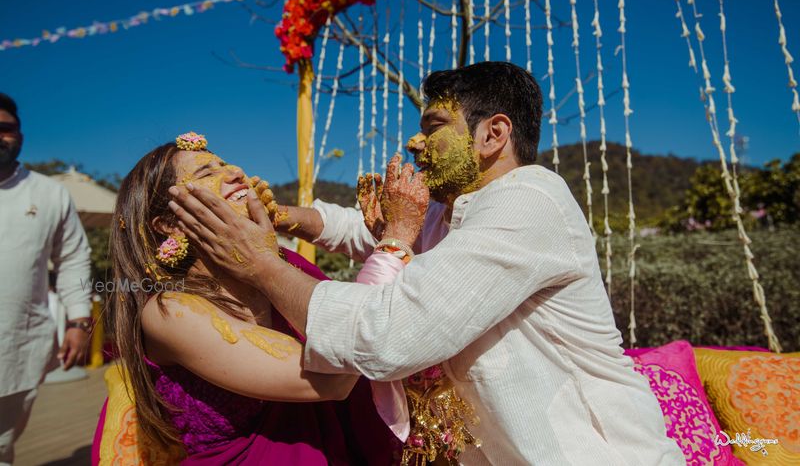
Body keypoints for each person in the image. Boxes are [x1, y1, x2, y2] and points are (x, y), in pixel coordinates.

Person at [168, 62, 685, 464]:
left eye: (433, 126)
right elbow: (359, 229)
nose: (414, 142)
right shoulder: (451, 209)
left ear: (493, 135)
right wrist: (278, 216)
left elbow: (388, 336)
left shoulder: (528, 200)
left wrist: (260, 263)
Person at [104, 134, 399, 464]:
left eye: (225, 164)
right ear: (170, 225)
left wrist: (267, 252)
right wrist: (395, 242)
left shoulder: (282, 264)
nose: (235, 172)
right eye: (206, 173)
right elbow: (335, 378)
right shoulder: (169, 311)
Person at [0, 93, 93, 466]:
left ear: (20, 136)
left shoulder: (50, 194)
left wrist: (79, 320)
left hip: (15, 349)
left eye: (5, 128)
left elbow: (73, 257)